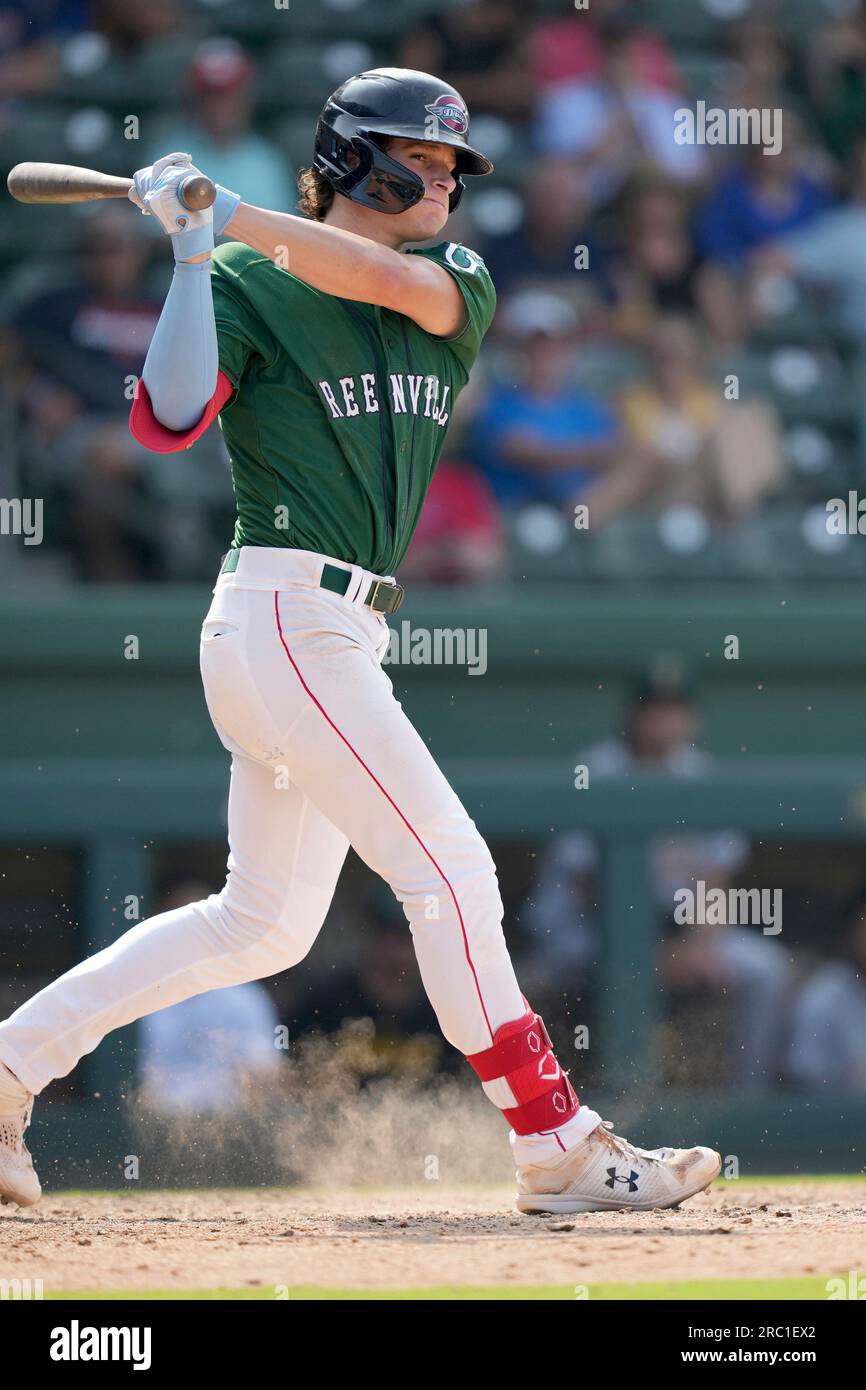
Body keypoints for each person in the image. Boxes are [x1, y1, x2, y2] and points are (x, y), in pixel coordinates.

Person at [0, 67, 720, 1216]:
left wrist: (224, 215)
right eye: (419, 161)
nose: (442, 182)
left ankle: (7, 1069)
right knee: (450, 866)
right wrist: (192, 256)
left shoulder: (453, 278)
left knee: (263, 921)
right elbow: (167, 417)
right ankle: (556, 1145)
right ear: (354, 161)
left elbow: (379, 279)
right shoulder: (237, 275)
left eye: (449, 165)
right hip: (284, 613)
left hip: (331, 629)